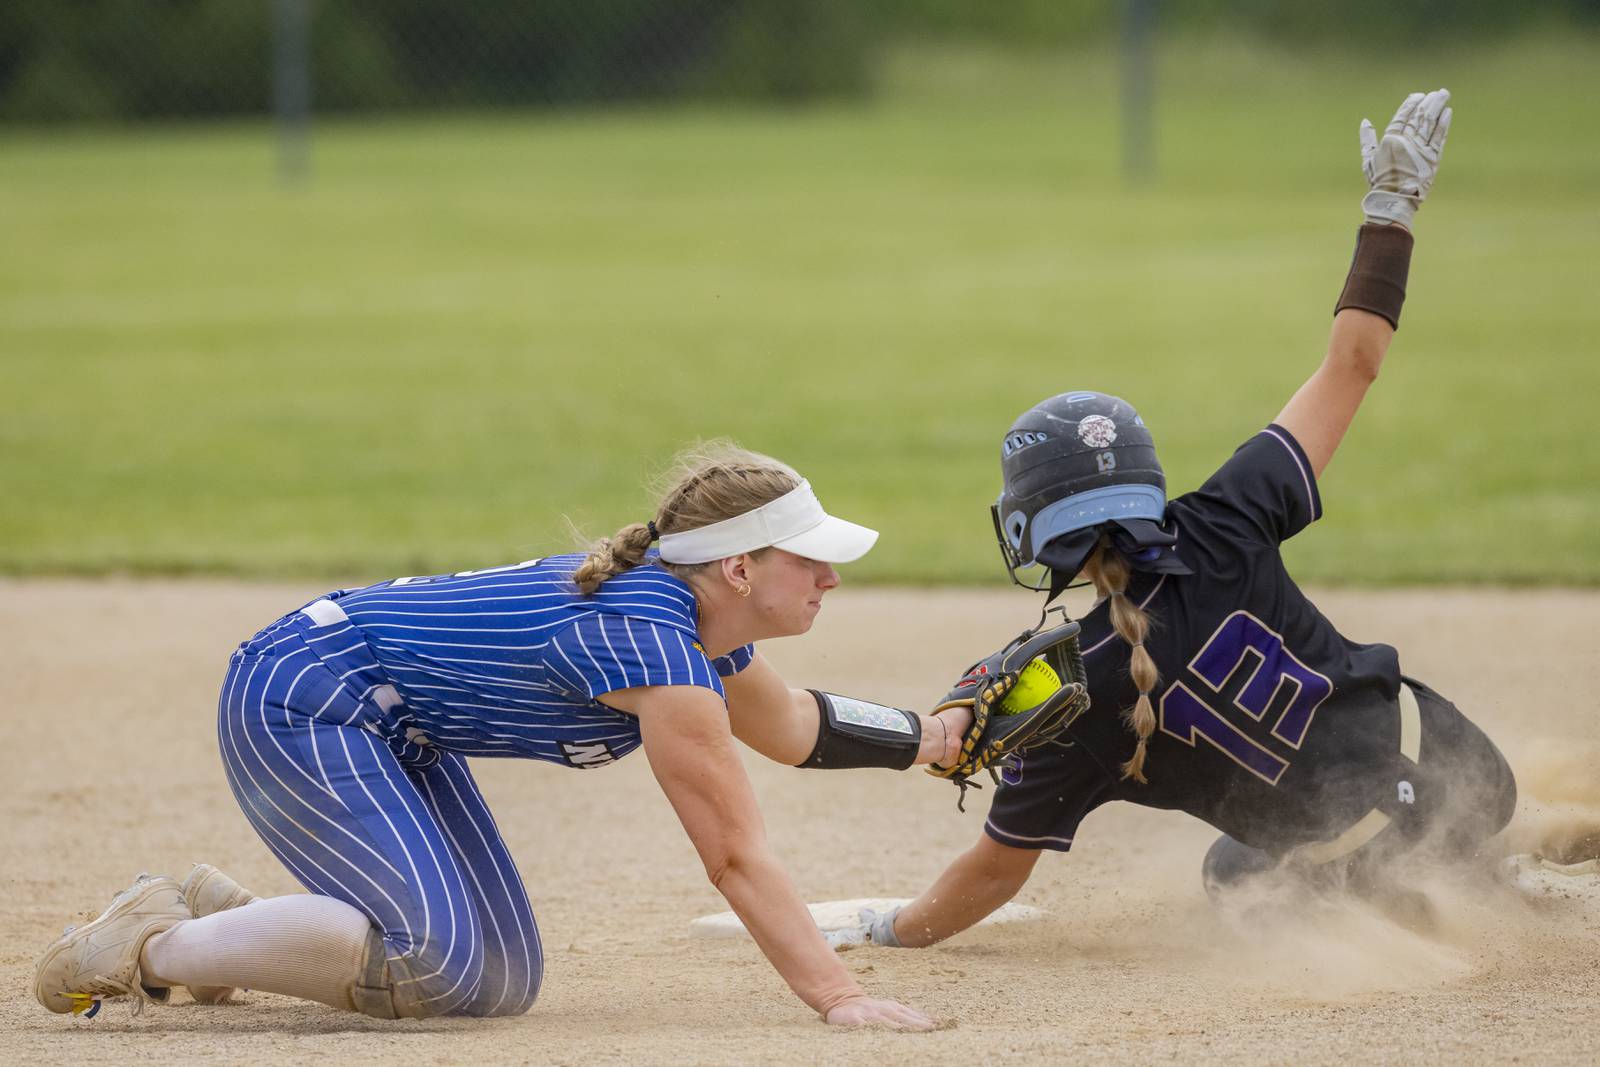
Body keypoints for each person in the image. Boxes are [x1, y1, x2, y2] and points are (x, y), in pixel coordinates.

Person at [842, 88, 1520, 951]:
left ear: (1033, 528)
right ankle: (1491, 870)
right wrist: (1391, 211)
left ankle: (1447, 906)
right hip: (1464, 768)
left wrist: (891, 928)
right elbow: (1353, 364)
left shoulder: (1073, 692)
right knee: (1364, 811)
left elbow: (993, 870)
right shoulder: (1227, 514)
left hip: (1359, 852)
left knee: (1233, 873)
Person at [33, 444, 971, 1028]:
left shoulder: (697, 626)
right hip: (302, 697)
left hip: (386, 721)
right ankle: (149, 941)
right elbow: (734, 855)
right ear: (736, 567)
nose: (831, 579)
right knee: (433, 963)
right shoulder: (654, 639)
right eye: (810, 560)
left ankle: (226, 917)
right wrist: (838, 997)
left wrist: (935, 735)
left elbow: (794, 725)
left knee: (496, 984)